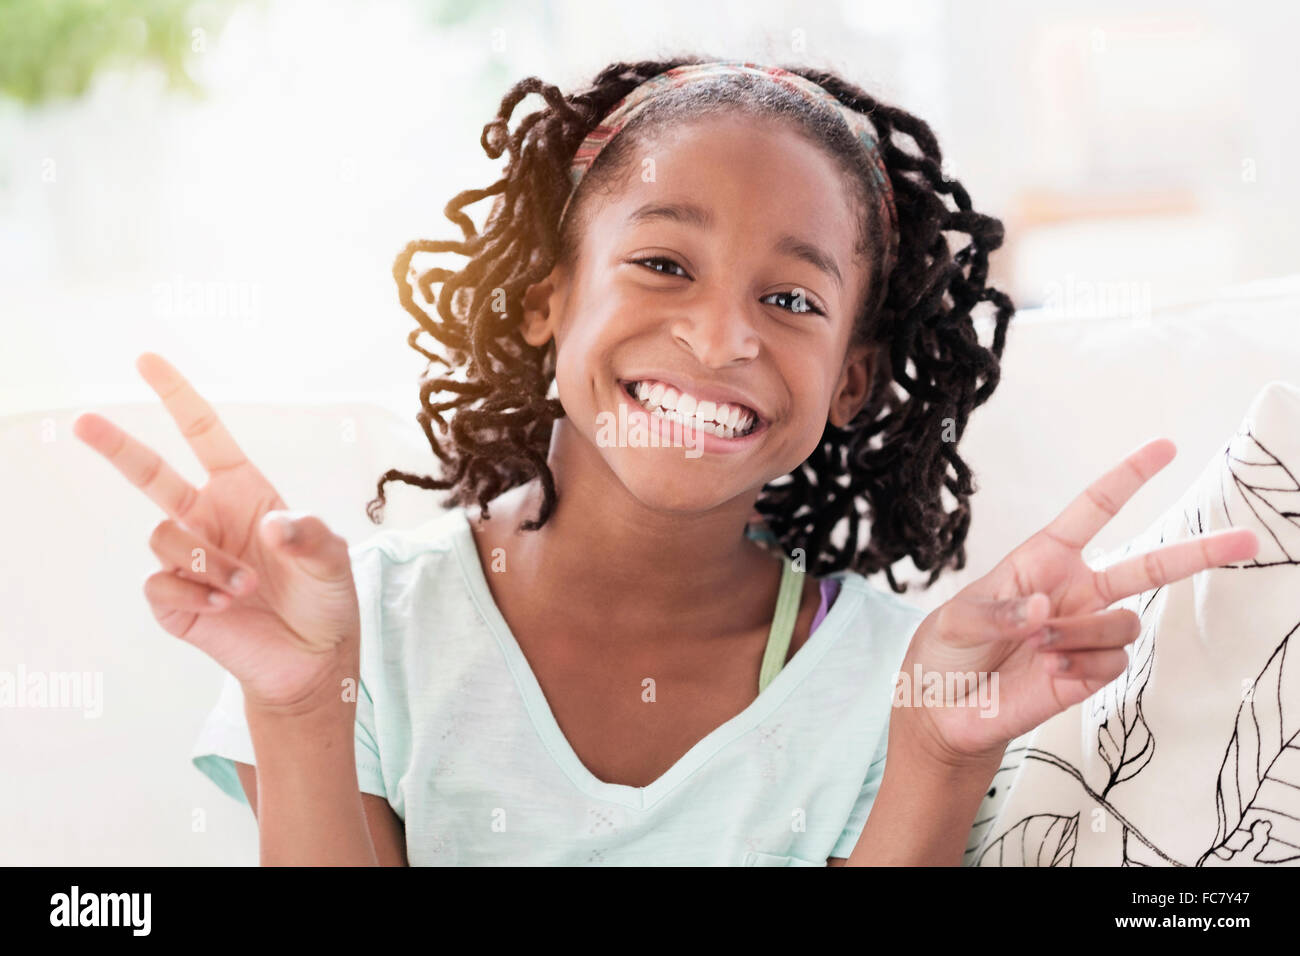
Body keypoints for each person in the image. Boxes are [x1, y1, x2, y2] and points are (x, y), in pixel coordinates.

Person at [74, 59, 1257, 865]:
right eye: (662, 264)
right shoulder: (349, 631)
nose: (721, 337)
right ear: (546, 298)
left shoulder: (908, 682)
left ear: (849, 376)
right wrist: (298, 705)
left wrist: (937, 758)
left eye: (790, 297)